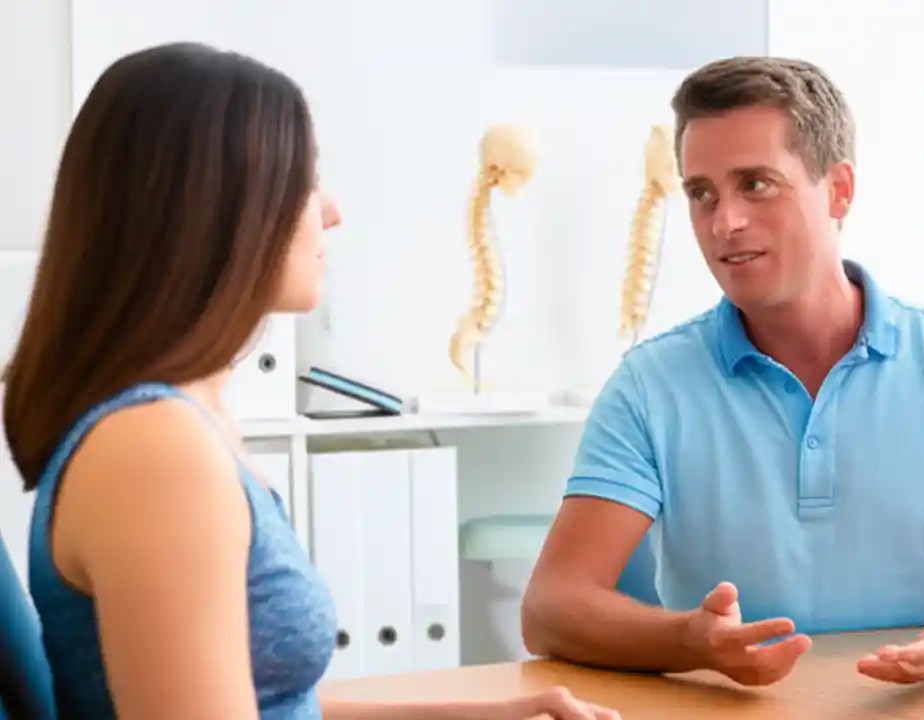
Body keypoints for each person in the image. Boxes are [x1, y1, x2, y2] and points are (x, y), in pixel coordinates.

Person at [1, 42, 618, 720]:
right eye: (305, 181)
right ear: (226, 207)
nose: (331, 211)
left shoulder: (185, 426)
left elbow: (277, 705)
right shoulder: (155, 451)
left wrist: (484, 715)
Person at [520, 55, 924, 687]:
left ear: (839, 189)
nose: (723, 222)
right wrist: (692, 641)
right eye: (702, 193)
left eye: (755, 184)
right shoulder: (649, 385)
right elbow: (551, 608)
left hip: (913, 704)